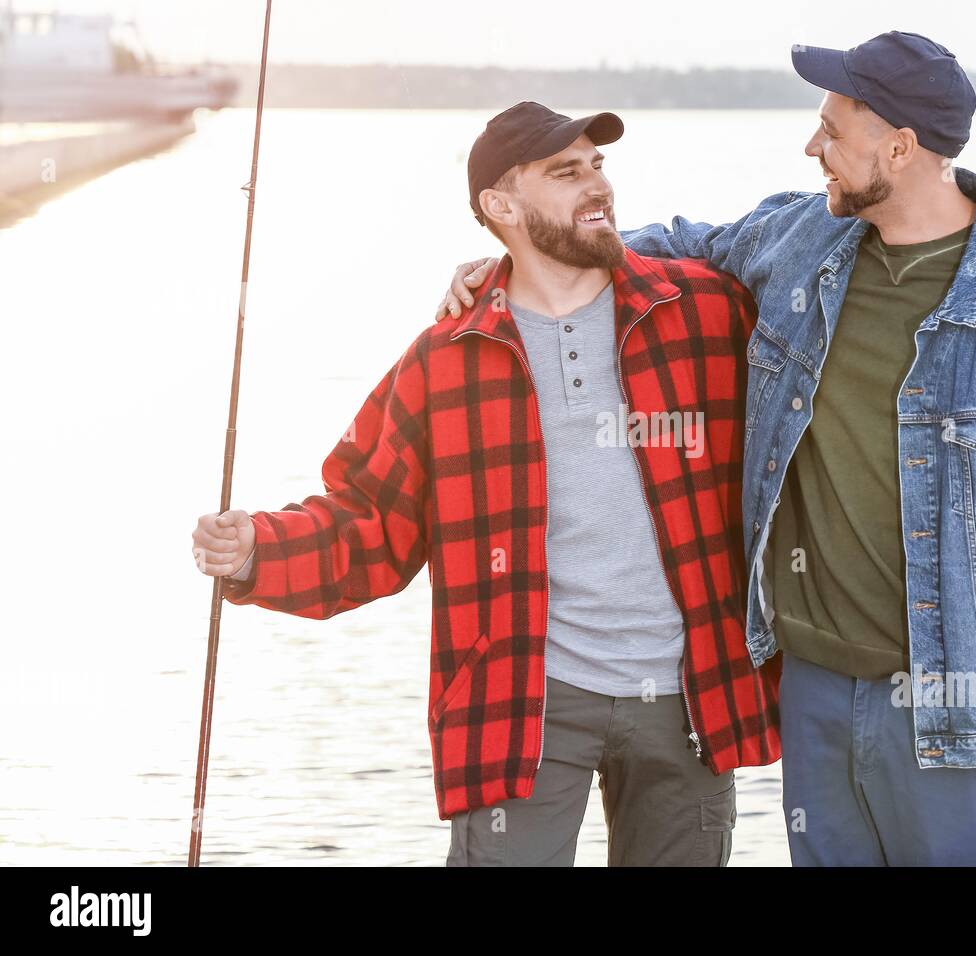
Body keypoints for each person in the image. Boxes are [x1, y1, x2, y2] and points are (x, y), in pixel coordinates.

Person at [436, 34, 976, 866]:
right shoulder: (803, 238)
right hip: (811, 689)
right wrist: (516, 263)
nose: (813, 147)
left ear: (901, 147)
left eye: (832, 129)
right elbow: (672, 247)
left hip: (957, 701)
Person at [192, 101, 780, 867]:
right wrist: (254, 553)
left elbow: (815, 266)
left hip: (693, 700)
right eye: (565, 172)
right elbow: (369, 523)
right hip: (524, 704)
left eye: (597, 165)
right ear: (500, 206)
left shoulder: (704, 311)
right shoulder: (447, 357)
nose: (596, 184)